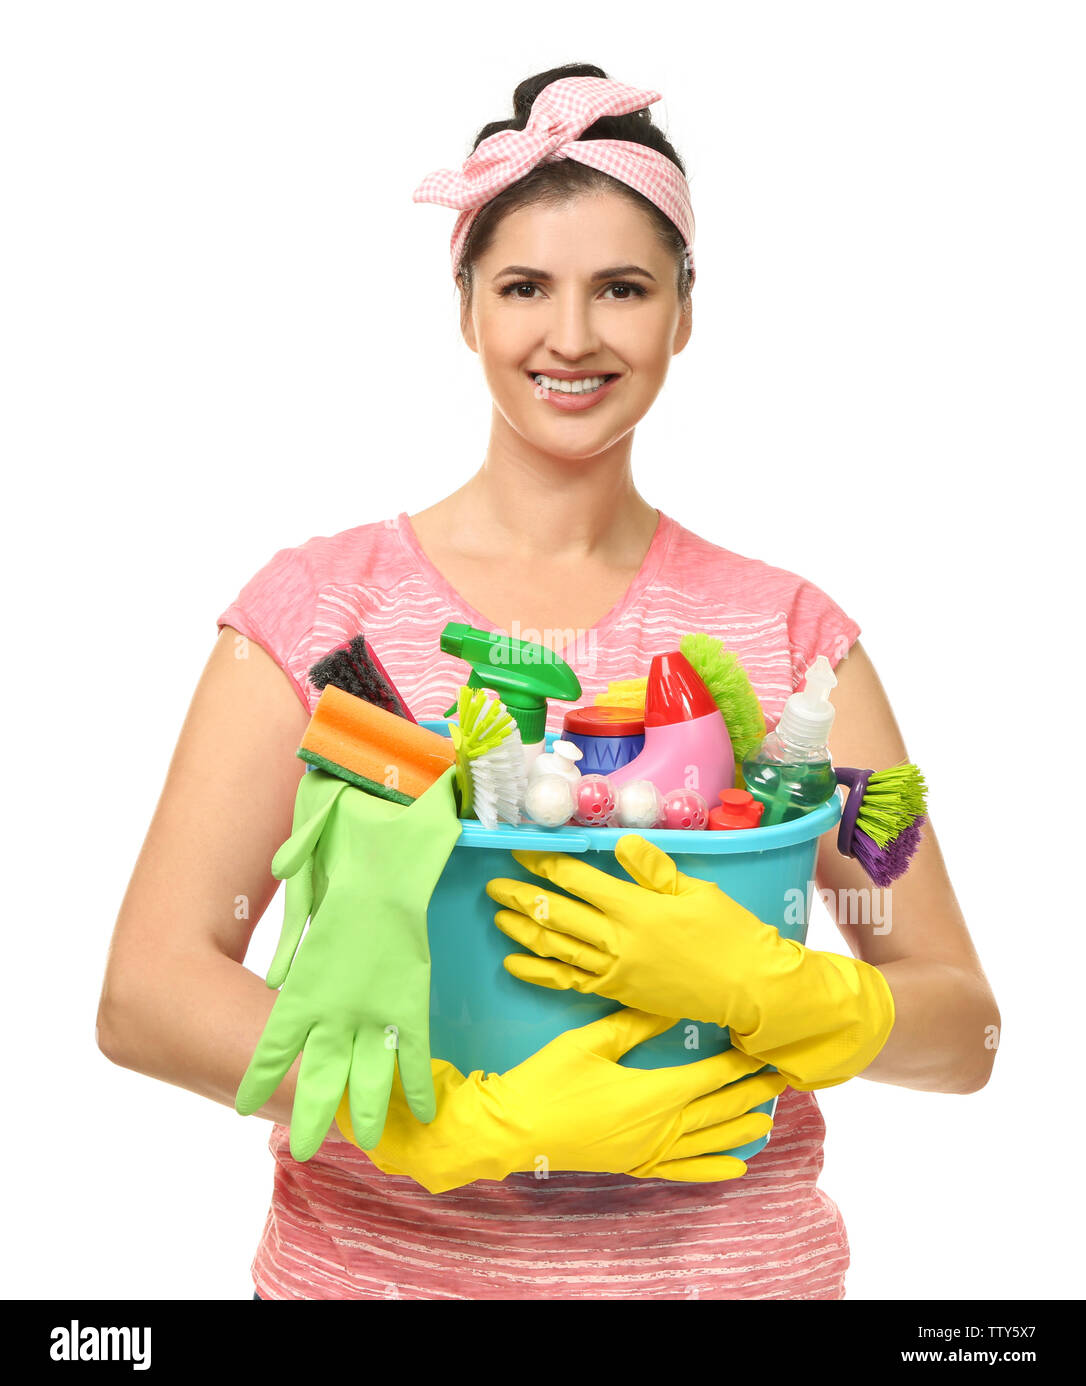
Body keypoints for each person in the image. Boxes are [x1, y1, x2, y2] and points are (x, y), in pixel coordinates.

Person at [97, 63, 999, 1301]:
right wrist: (449, 1118)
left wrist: (792, 996)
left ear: (685, 311)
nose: (571, 337)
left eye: (622, 288)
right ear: (464, 306)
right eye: (525, 286)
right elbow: (149, 990)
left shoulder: (788, 635)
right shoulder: (323, 615)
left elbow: (963, 1027)